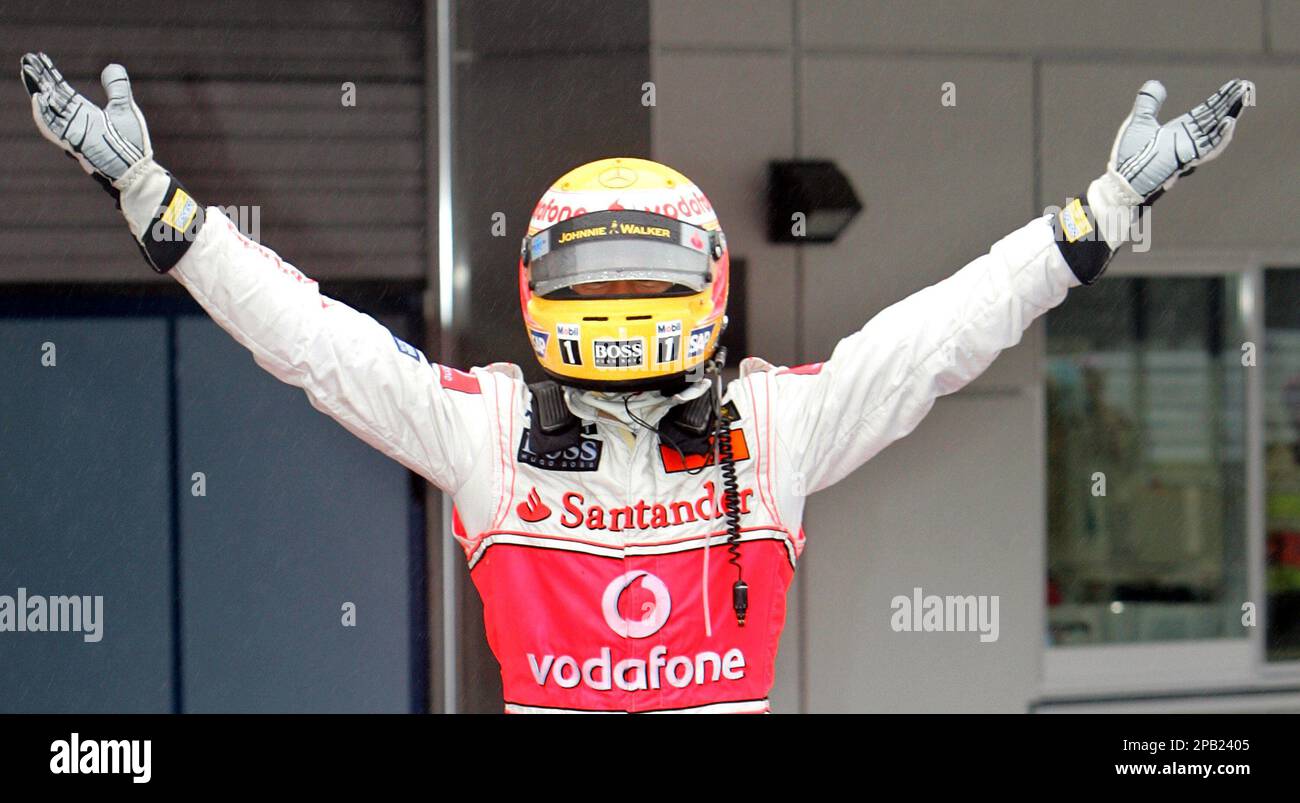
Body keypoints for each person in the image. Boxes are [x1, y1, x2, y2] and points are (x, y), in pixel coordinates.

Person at [20, 52, 1252, 713]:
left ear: (708, 284)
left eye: (642, 275)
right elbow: (308, 338)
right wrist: (157, 204)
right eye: (594, 277)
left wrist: (1099, 215)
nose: (618, 303)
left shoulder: (772, 427)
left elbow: (946, 333)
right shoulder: (491, 431)